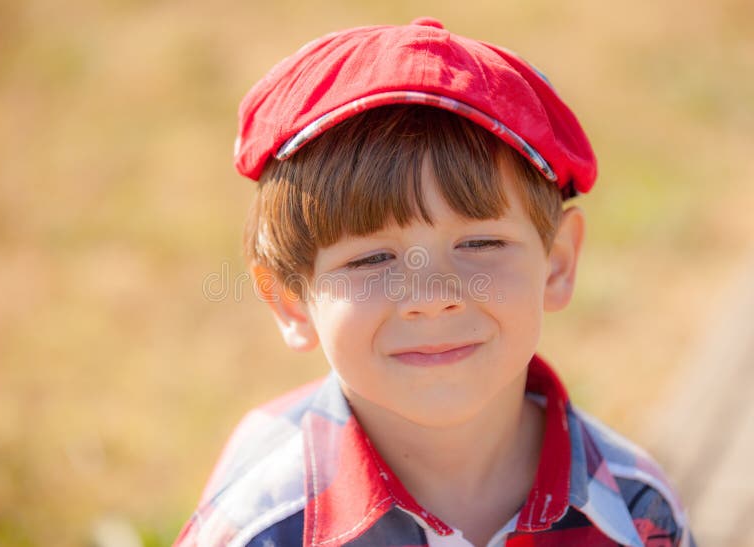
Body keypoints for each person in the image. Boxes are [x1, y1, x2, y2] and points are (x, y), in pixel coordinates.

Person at [175, 17, 696, 547]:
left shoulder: (636, 514)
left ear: (557, 264)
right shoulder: (259, 526)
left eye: (480, 244)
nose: (433, 299)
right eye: (372, 259)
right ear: (292, 303)